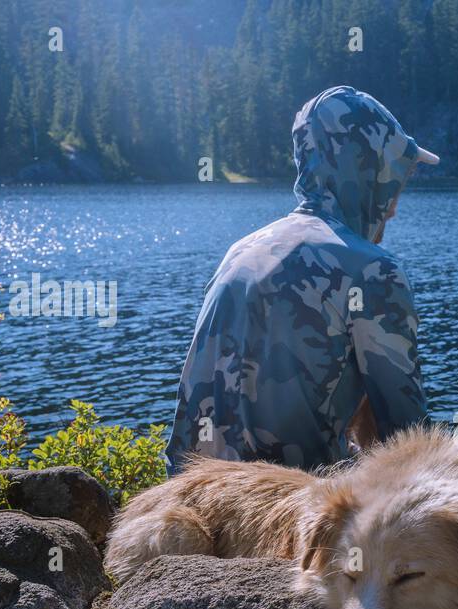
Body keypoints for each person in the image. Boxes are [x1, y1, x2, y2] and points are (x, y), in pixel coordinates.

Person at [165, 86, 439, 473]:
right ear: (367, 172)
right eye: (393, 181)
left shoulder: (241, 251)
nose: (393, 209)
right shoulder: (373, 271)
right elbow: (413, 448)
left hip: (193, 498)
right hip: (286, 514)